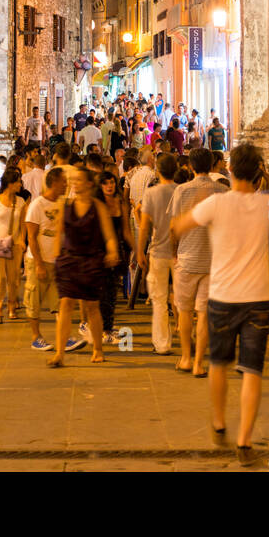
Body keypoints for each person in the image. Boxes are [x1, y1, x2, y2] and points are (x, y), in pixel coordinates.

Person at [172, 143, 269, 466]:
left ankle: (219, 423)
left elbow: (177, 227)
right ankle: (245, 441)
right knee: (252, 371)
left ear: (229, 170)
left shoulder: (216, 203)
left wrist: (199, 209)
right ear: (258, 173)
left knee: (219, 363)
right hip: (259, 297)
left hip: (223, 296)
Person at [48, 165, 119, 367]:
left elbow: (109, 236)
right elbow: (58, 233)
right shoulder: (66, 205)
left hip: (90, 261)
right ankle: (59, 353)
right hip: (69, 261)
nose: (75, 183)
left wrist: (112, 251)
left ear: (89, 184)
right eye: (73, 180)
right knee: (65, 304)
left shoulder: (99, 207)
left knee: (92, 307)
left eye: (79, 180)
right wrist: (56, 257)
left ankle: (97, 348)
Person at [169, 147, 219, 375]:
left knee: (185, 311)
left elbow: (174, 226)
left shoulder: (182, 190)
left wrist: (173, 253)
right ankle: (200, 363)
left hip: (187, 257)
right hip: (212, 259)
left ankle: (187, 358)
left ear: (190, 166)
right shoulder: (221, 191)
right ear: (213, 165)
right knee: (204, 313)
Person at [25, 167, 78, 351]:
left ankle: (65, 336)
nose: (66, 185)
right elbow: (31, 236)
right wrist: (39, 263)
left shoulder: (63, 203)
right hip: (38, 260)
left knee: (60, 300)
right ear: (54, 183)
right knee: (34, 299)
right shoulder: (37, 205)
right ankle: (36, 336)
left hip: (57, 261)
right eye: (64, 181)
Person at [137, 152, 179, 354]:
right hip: (180, 252)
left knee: (160, 299)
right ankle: (187, 335)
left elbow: (144, 227)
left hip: (158, 251)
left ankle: (162, 344)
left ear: (158, 170)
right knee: (183, 299)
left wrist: (139, 251)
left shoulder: (151, 194)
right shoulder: (181, 191)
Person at [0, 167, 27, 323]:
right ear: (10, 184)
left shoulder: (21, 202)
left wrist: (22, 240)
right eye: (18, 182)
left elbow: (23, 225)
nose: (20, 185)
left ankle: (12, 307)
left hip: (14, 245)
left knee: (14, 280)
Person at [96, 168, 133, 344]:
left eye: (112, 182)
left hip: (116, 251)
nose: (109, 186)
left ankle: (107, 328)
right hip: (98, 251)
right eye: (105, 183)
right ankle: (101, 328)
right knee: (100, 292)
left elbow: (126, 231)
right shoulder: (96, 204)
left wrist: (137, 251)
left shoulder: (120, 203)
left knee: (111, 292)